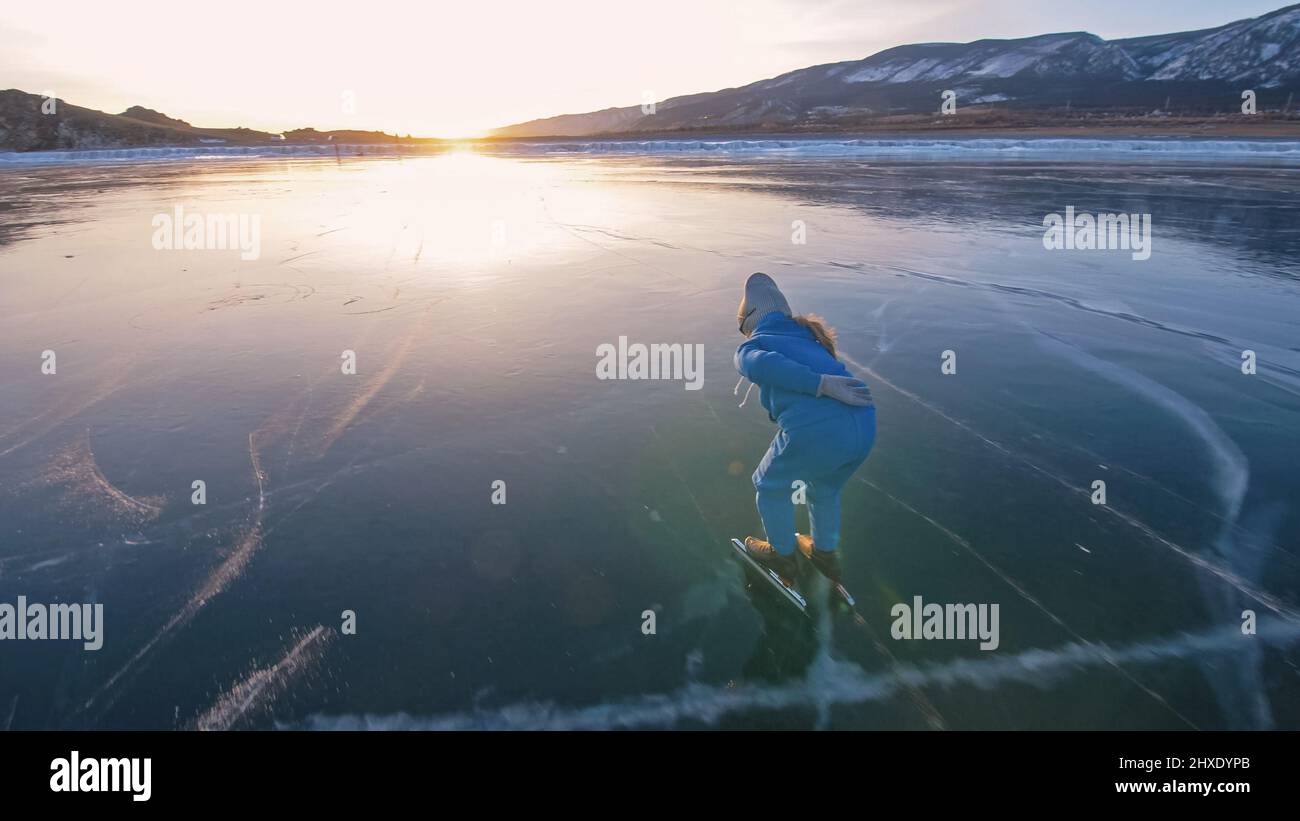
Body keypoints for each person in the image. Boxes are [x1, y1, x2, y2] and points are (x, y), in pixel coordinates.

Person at [734, 272, 876, 584]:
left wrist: (819, 384)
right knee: (825, 489)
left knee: (769, 487)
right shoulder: (808, 336)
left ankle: (782, 558)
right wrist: (823, 384)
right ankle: (825, 553)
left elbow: (760, 365)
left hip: (819, 430)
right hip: (864, 424)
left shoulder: (750, 348)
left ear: (749, 321)